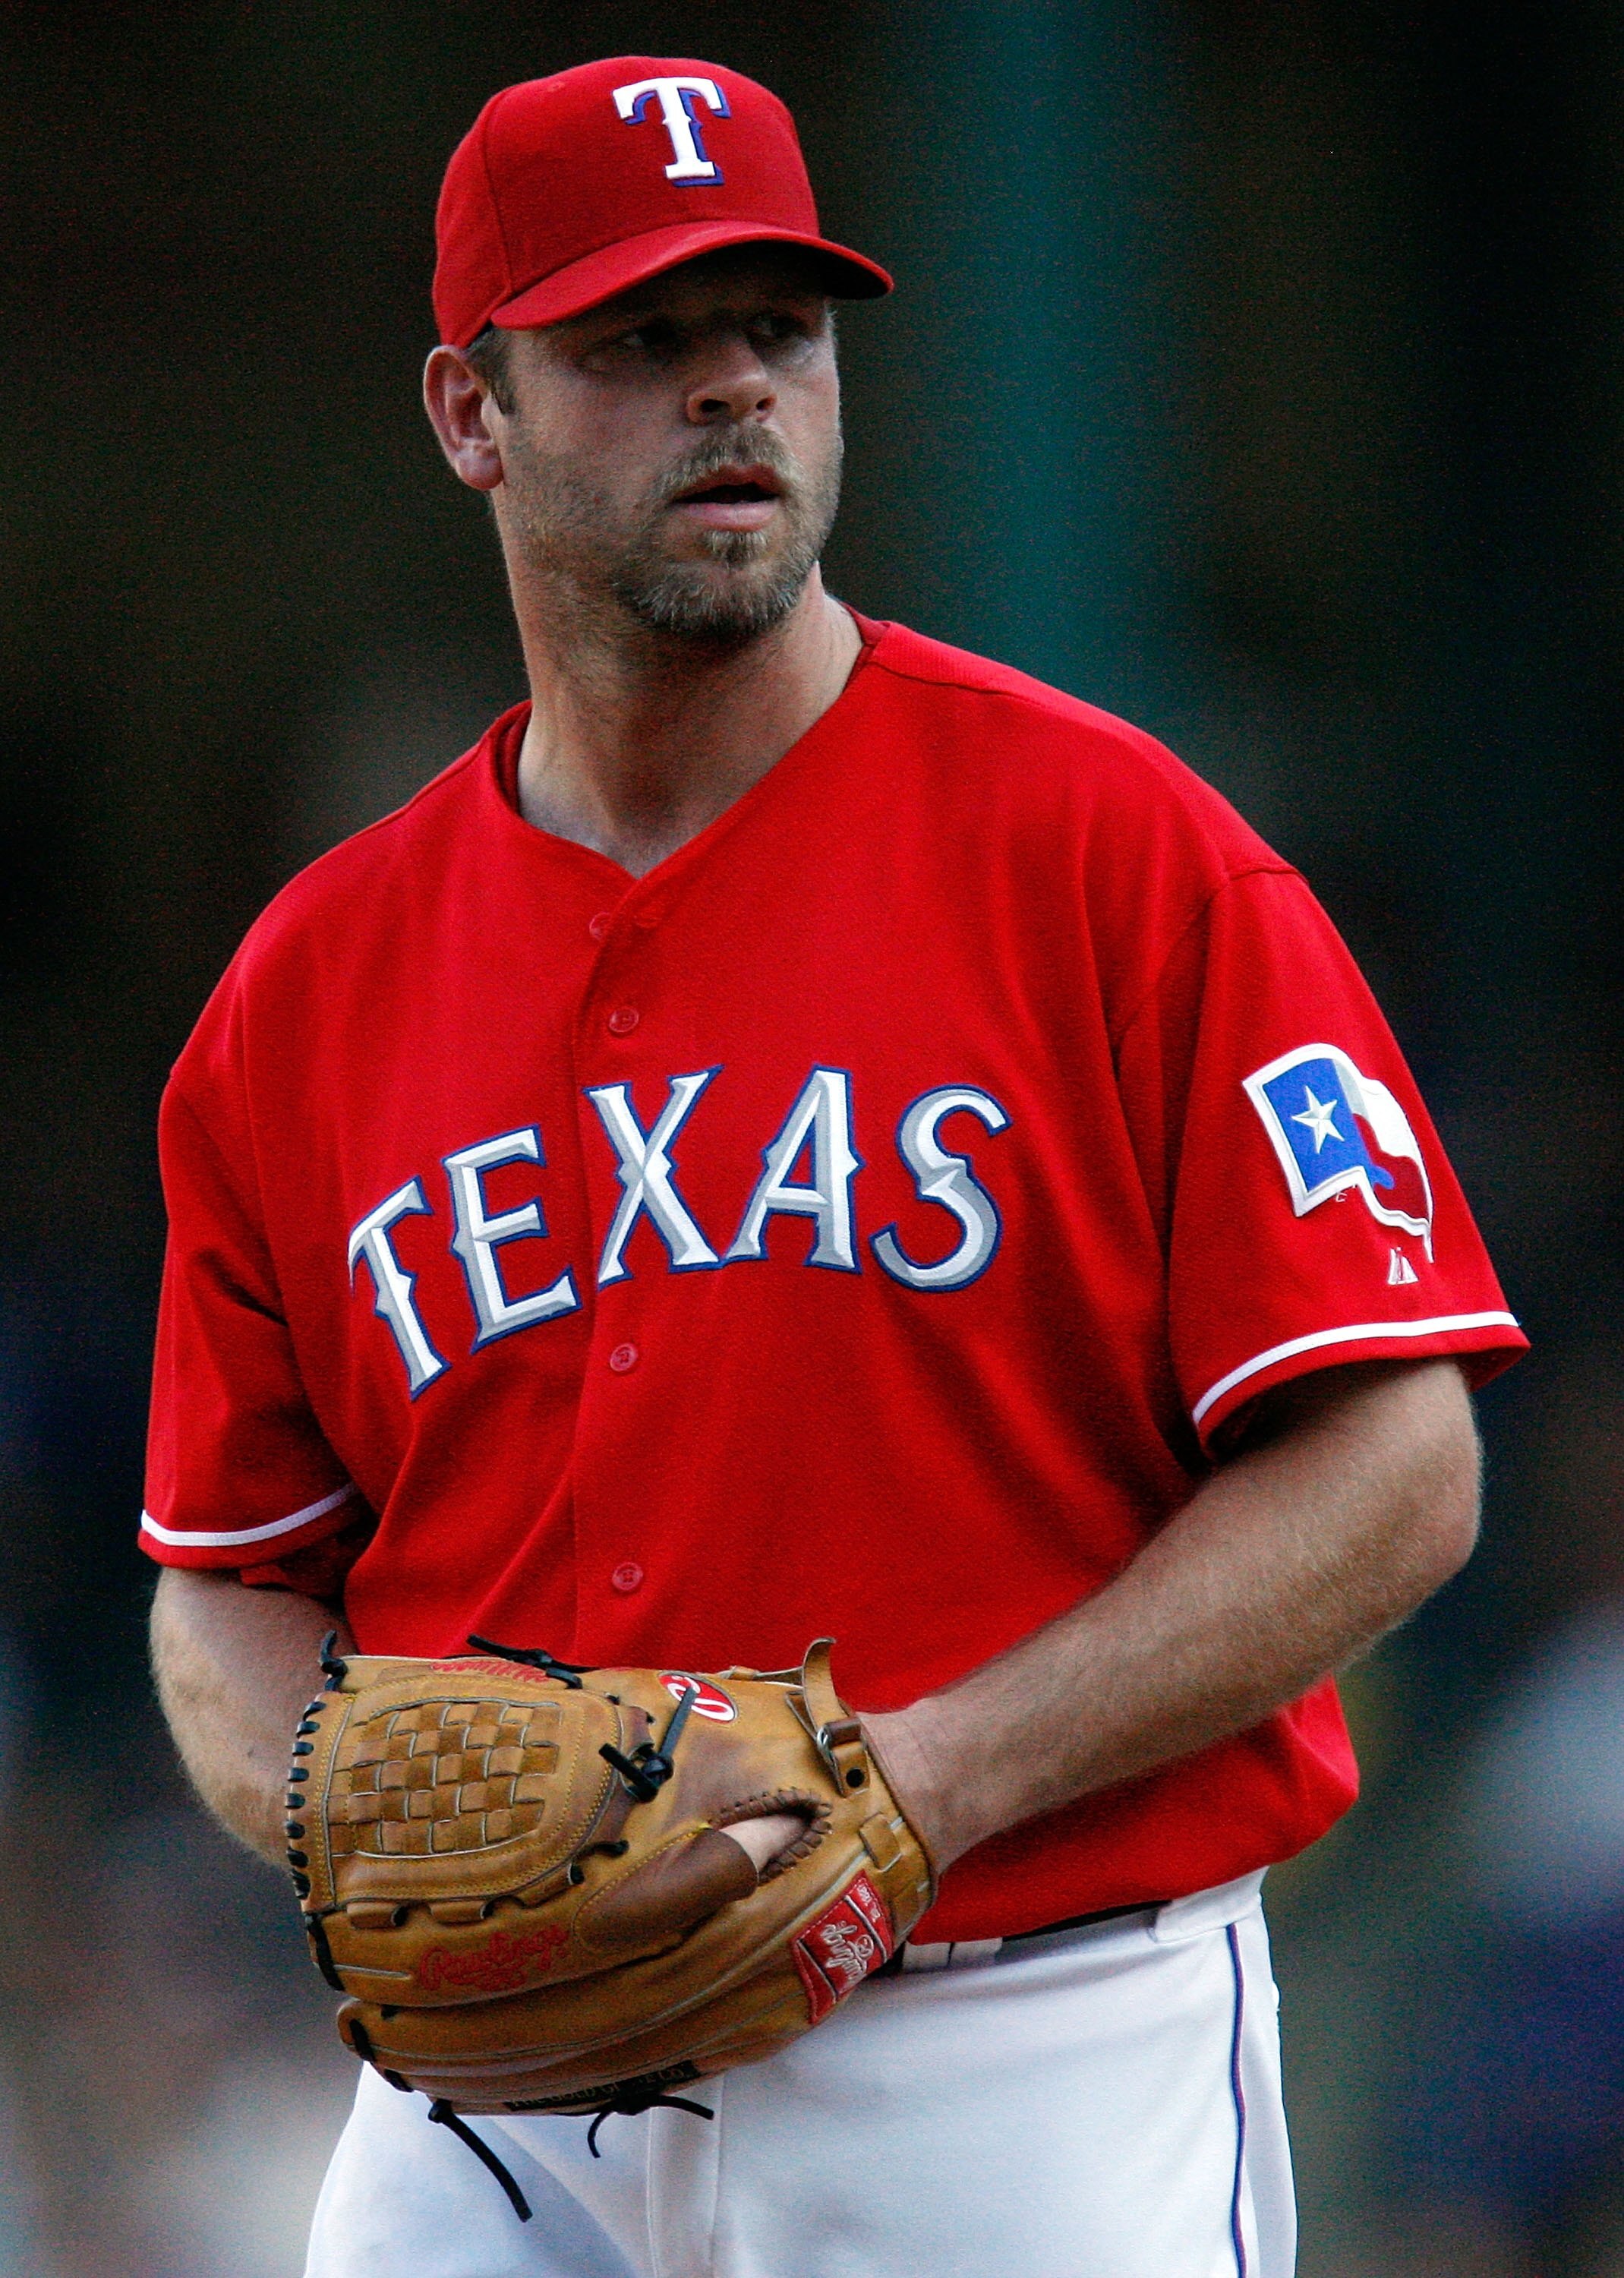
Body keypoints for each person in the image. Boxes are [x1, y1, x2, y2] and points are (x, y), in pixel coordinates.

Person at [143, 54, 1525, 2278]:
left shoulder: (1117, 856)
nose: (728, 393)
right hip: (497, 2083)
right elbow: (226, 1570)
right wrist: (322, 1808)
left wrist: (932, 1777)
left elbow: (1397, 1464)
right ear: (464, 411)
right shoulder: (311, 986)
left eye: (773, 332)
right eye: (630, 343)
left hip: (1031, 2037)